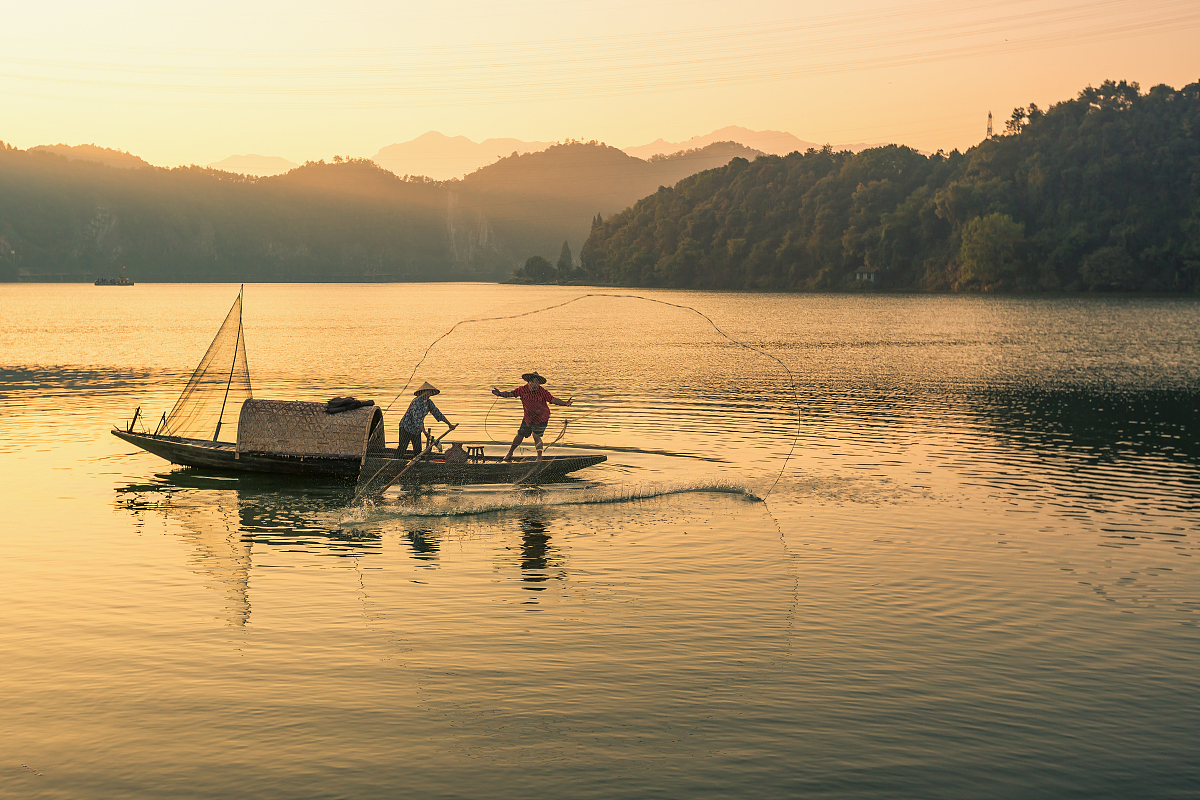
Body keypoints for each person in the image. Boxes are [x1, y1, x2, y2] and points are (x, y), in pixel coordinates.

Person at [491, 371, 572, 462]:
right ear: (528, 382)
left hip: (542, 418)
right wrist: (500, 394)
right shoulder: (522, 390)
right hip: (528, 417)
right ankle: (510, 453)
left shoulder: (542, 391)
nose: (535, 384)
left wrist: (565, 403)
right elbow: (511, 394)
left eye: (537, 382)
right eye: (532, 382)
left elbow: (552, 400)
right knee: (520, 434)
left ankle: (539, 458)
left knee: (536, 435)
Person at [398, 381, 456, 457]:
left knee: (418, 450)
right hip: (406, 427)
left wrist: (449, 424)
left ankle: (417, 466)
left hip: (416, 430)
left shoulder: (428, 402)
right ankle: (396, 463)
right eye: (428, 392)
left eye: (430, 393)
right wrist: (425, 432)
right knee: (402, 449)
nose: (429, 394)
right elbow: (417, 418)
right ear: (423, 392)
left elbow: (437, 413)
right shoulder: (416, 402)